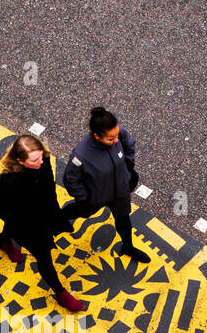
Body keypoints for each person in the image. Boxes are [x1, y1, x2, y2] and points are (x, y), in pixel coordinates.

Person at [0, 134, 86, 312]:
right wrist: (27, 226)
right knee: (44, 257)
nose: (41, 161)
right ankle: (61, 293)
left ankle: (3, 241)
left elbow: (49, 186)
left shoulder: (44, 160)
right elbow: (6, 213)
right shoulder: (9, 182)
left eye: (41, 156)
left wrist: (54, 215)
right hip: (26, 226)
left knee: (18, 230)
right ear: (20, 160)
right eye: (35, 159)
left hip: (45, 213)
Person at [60, 106, 150, 262]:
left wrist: (128, 167)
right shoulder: (81, 155)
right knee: (81, 212)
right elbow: (70, 179)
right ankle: (60, 218)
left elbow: (129, 145)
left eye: (116, 136)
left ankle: (128, 247)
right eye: (111, 139)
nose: (116, 140)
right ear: (97, 136)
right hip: (95, 197)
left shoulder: (116, 133)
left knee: (124, 220)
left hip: (120, 193)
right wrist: (85, 197)